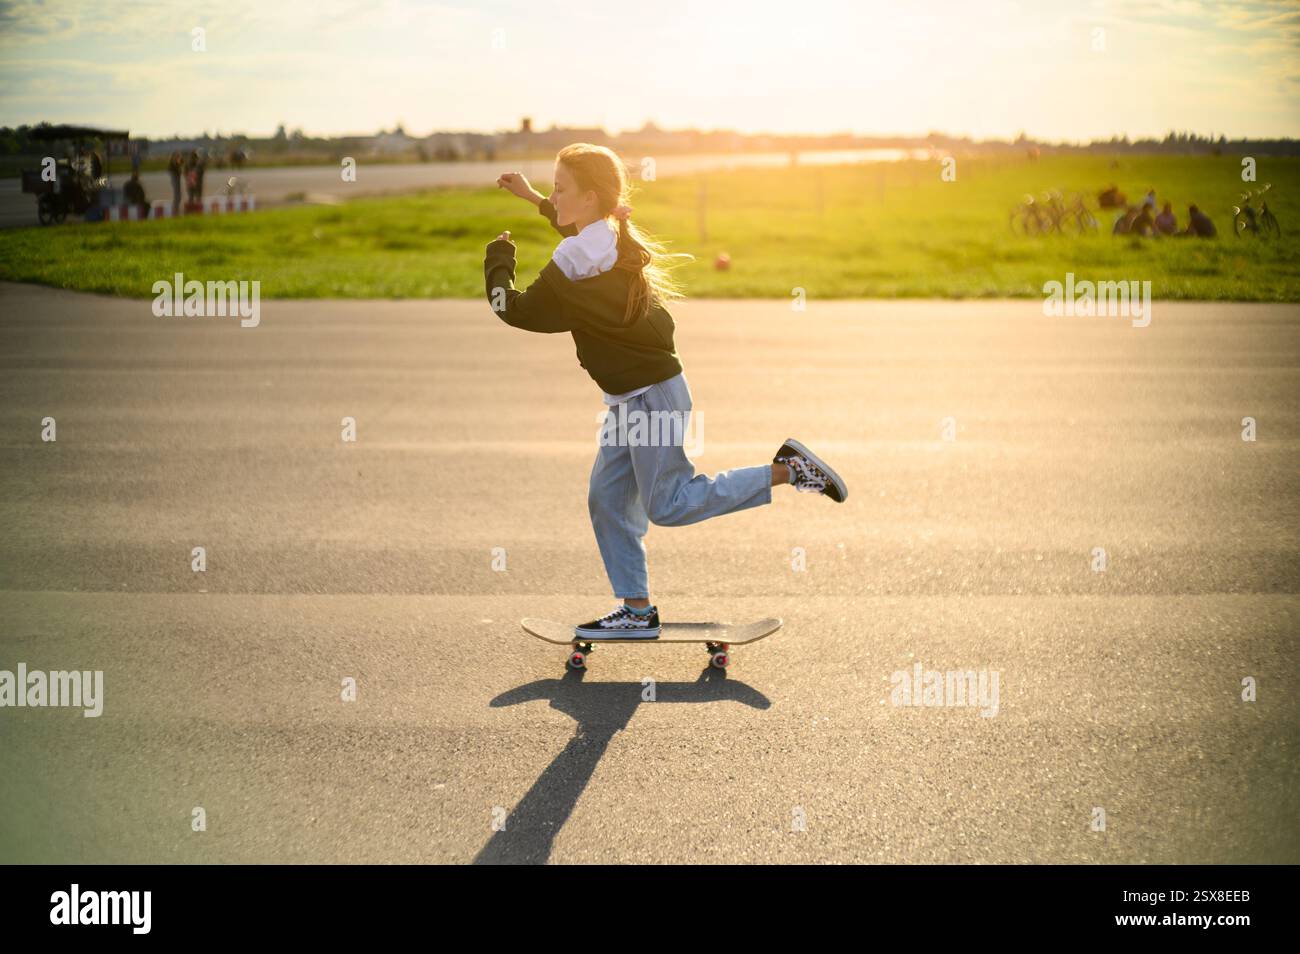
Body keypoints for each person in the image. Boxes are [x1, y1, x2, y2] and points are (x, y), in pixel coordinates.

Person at [488, 144, 847, 640]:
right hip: (633, 396)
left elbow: (516, 309)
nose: (553, 196)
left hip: (649, 396)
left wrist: (499, 258)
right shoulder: (606, 234)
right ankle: (636, 610)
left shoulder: (579, 252)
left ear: (591, 198)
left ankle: (789, 470)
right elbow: (573, 223)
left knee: (670, 504)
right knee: (608, 500)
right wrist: (532, 197)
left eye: (559, 188)